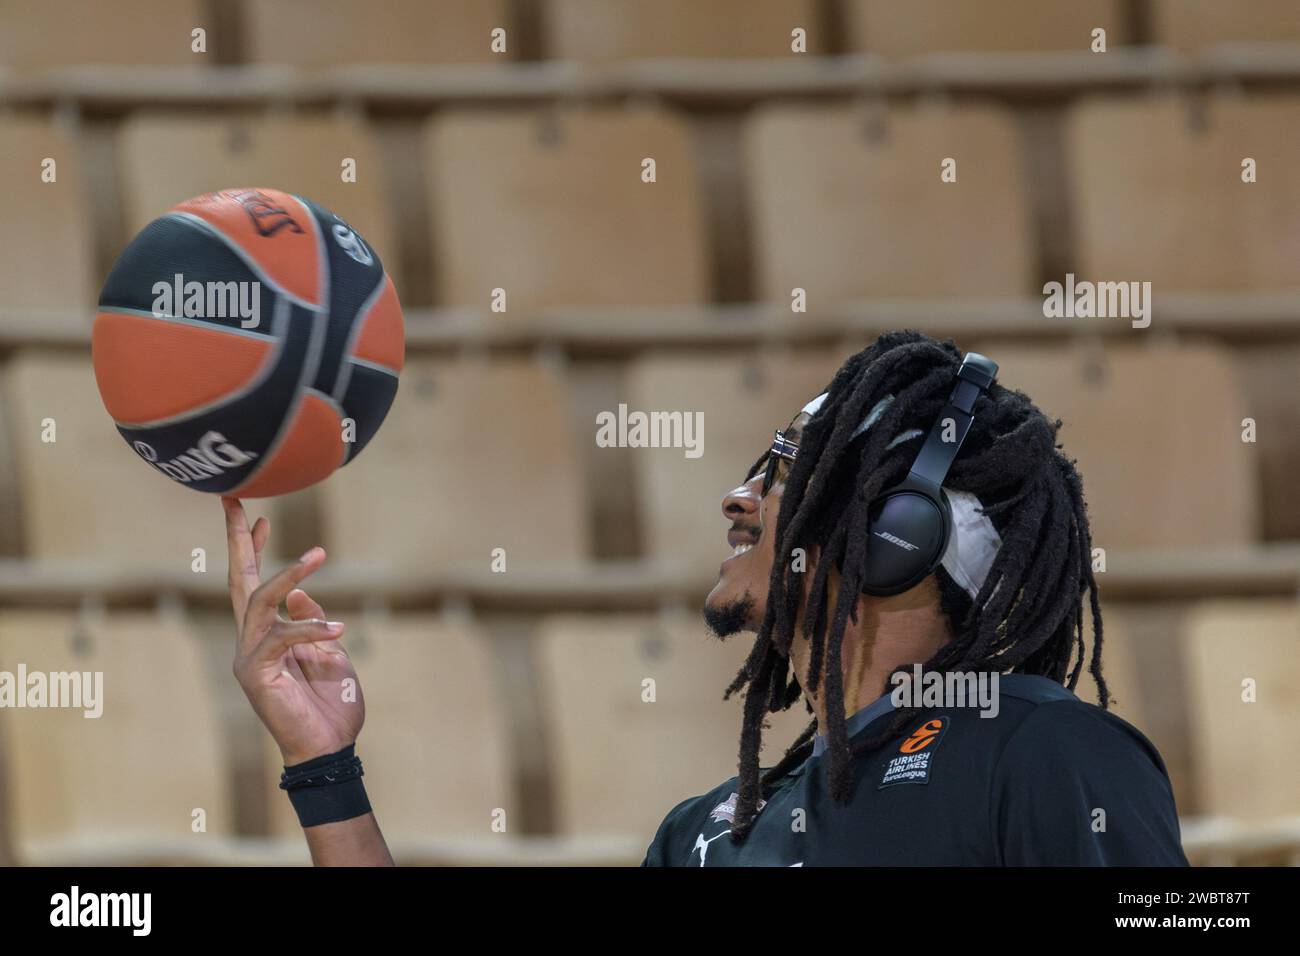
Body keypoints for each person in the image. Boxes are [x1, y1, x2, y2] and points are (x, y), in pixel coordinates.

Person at [223, 329, 1187, 866]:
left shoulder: (1044, 751)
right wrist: (324, 769)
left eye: (786, 473)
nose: (739, 496)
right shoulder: (705, 834)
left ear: (904, 531)